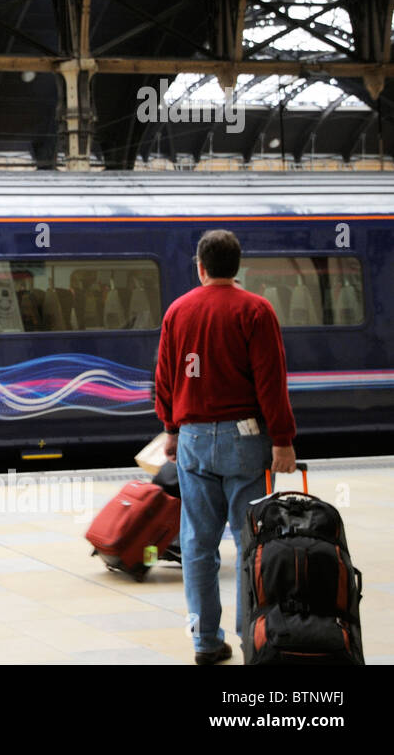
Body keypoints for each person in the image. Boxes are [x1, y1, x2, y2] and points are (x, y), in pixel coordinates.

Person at [154, 229, 297, 665]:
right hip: (246, 438)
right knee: (252, 542)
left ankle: (205, 641)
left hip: (193, 437)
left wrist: (171, 430)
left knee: (197, 544)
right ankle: (252, 637)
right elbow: (271, 382)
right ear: (238, 268)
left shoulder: (178, 311)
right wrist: (283, 440)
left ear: (200, 267)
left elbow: (164, 378)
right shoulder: (256, 310)